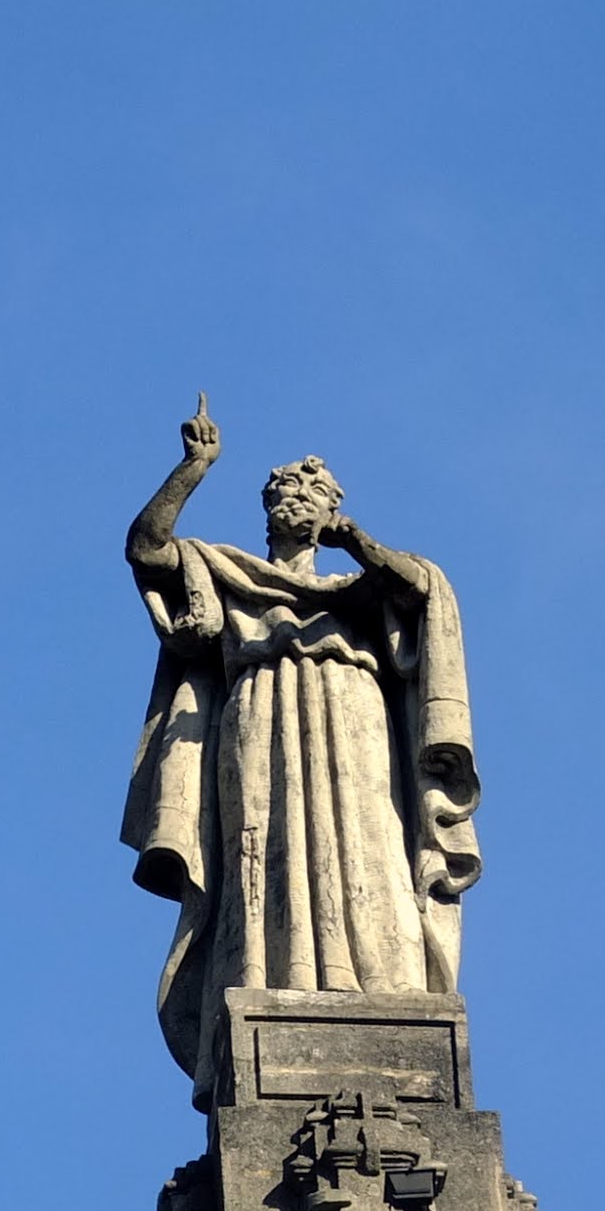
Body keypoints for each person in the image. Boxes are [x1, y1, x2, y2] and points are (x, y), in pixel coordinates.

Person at [122, 396, 481, 1105]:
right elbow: (146, 548)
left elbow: (421, 588)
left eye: (310, 493)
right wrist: (193, 469)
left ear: (330, 508)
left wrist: (357, 540)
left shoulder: (364, 591)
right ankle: (267, 985)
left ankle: (382, 987)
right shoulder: (227, 576)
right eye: (282, 493)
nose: (294, 501)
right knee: (266, 859)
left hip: (354, 728)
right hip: (259, 724)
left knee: (365, 853)